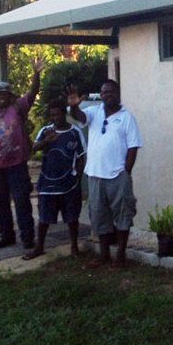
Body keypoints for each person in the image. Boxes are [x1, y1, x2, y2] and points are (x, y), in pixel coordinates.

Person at [67, 79, 143, 267]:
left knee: (123, 215)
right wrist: (74, 107)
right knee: (98, 215)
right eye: (104, 92)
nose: (107, 95)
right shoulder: (94, 112)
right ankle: (104, 254)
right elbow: (80, 118)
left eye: (110, 92)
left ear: (118, 93)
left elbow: (133, 147)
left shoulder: (127, 117)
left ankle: (121, 256)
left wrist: (126, 172)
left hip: (118, 176)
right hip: (95, 174)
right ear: (100, 95)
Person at [0, 58, 44, 249]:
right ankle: (6, 236)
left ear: (10, 96)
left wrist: (36, 74)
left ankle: (27, 237)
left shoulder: (18, 107)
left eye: (5, 94)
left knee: (22, 201)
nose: (1, 97)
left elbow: (32, 93)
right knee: (0, 203)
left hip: (17, 164)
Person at [23, 98, 86, 260]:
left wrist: (77, 178)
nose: (55, 118)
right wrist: (46, 141)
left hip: (69, 184)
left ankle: (74, 246)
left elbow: (81, 157)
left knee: (72, 218)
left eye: (58, 114)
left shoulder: (75, 132)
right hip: (47, 184)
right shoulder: (45, 131)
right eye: (52, 115)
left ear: (64, 114)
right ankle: (39, 247)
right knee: (44, 219)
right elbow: (32, 149)